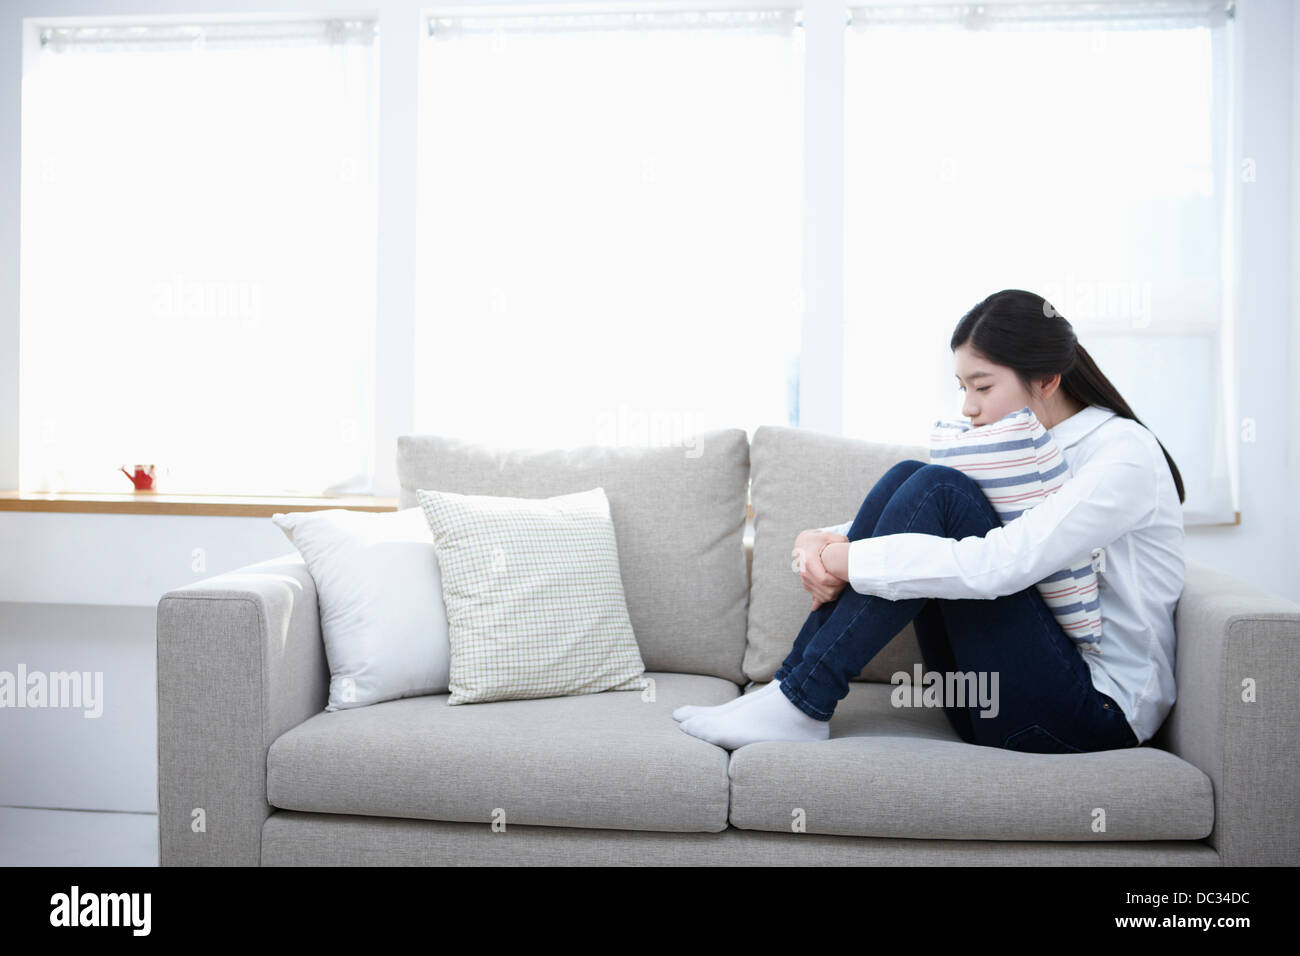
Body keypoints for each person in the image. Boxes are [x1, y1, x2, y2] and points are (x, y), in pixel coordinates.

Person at [675, 288, 1186, 752]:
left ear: (1048, 379)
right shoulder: (1020, 448)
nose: (968, 407)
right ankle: (792, 689)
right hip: (981, 700)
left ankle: (801, 701)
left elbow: (1003, 563)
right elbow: (914, 512)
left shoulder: (1124, 457)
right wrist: (824, 540)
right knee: (917, 475)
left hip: (1087, 713)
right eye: (963, 387)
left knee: (939, 486)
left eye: (982, 387)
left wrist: (850, 558)